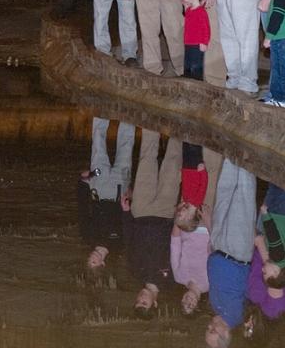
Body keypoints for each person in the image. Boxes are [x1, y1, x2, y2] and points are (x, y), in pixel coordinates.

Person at [124, 129, 181, 317]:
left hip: (140, 211)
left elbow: (129, 239)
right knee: (172, 163)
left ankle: (150, 122)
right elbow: (178, 246)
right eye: (144, 303)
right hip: (166, 213)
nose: (141, 297)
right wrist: (178, 220)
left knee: (146, 159)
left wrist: (126, 214)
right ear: (154, 304)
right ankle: (179, 123)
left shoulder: (135, 271)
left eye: (137, 301)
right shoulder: (172, 279)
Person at [204, 160, 257, 348]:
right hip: (237, 250)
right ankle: (248, 147)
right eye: (214, 331)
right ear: (226, 335)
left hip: (218, 243)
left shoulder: (216, 307)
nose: (210, 326)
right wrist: (249, 327)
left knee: (225, 187)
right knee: (243, 191)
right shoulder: (240, 316)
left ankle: (230, 149)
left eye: (207, 330)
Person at [79, 117, 135, 272]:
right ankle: (128, 113)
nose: (91, 258)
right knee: (126, 146)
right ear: (103, 263)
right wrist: (129, 204)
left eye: (89, 260)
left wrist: (83, 181)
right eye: (94, 262)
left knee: (97, 144)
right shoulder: (118, 244)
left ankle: (101, 112)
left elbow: (82, 208)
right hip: (119, 190)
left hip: (98, 186)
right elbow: (129, 223)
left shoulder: (87, 236)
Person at [172, 144, 222, 315]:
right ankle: (214, 144)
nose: (188, 301)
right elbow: (215, 252)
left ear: (182, 299)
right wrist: (209, 222)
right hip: (207, 224)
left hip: (187, 220)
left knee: (193, 173)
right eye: (191, 305)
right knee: (212, 178)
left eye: (185, 304)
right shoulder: (209, 284)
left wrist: (179, 213)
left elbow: (175, 243)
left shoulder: (178, 276)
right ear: (197, 304)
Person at [244, 184, 285, 336]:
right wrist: (261, 245)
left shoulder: (265, 308)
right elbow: (276, 273)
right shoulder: (272, 309)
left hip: (265, 245)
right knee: (277, 188)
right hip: (267, 244)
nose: (246, 324)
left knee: (275, 189)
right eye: (249, 329)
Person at [180, 0, 209, 81]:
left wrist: (204, 42)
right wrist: (185, 5)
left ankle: (197, 83)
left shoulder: (201, 11)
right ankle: (187, 80)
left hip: (197, 44)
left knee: (196, 66)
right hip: (188, 43)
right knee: (187, 64)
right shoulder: (188, 10)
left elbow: (206, 28)